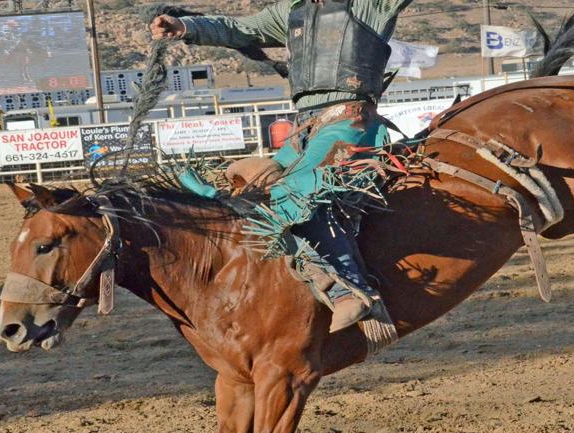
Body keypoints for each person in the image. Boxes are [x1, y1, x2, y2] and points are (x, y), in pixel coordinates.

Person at [153, 1, 413, 345]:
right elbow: (239, 29)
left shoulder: (367, 6)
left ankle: (349, 291)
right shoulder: (293, 11)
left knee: (299, 191)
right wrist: (186, 28)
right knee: (244, 184)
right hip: (305, 130)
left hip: (349, 122)